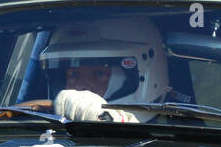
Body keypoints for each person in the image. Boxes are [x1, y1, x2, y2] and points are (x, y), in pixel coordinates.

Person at [35, 18, 169, 122]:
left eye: (99, 73)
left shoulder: (172, 143)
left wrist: (110, 119)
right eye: (74, 74)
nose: (81, 86)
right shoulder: (40, 135)